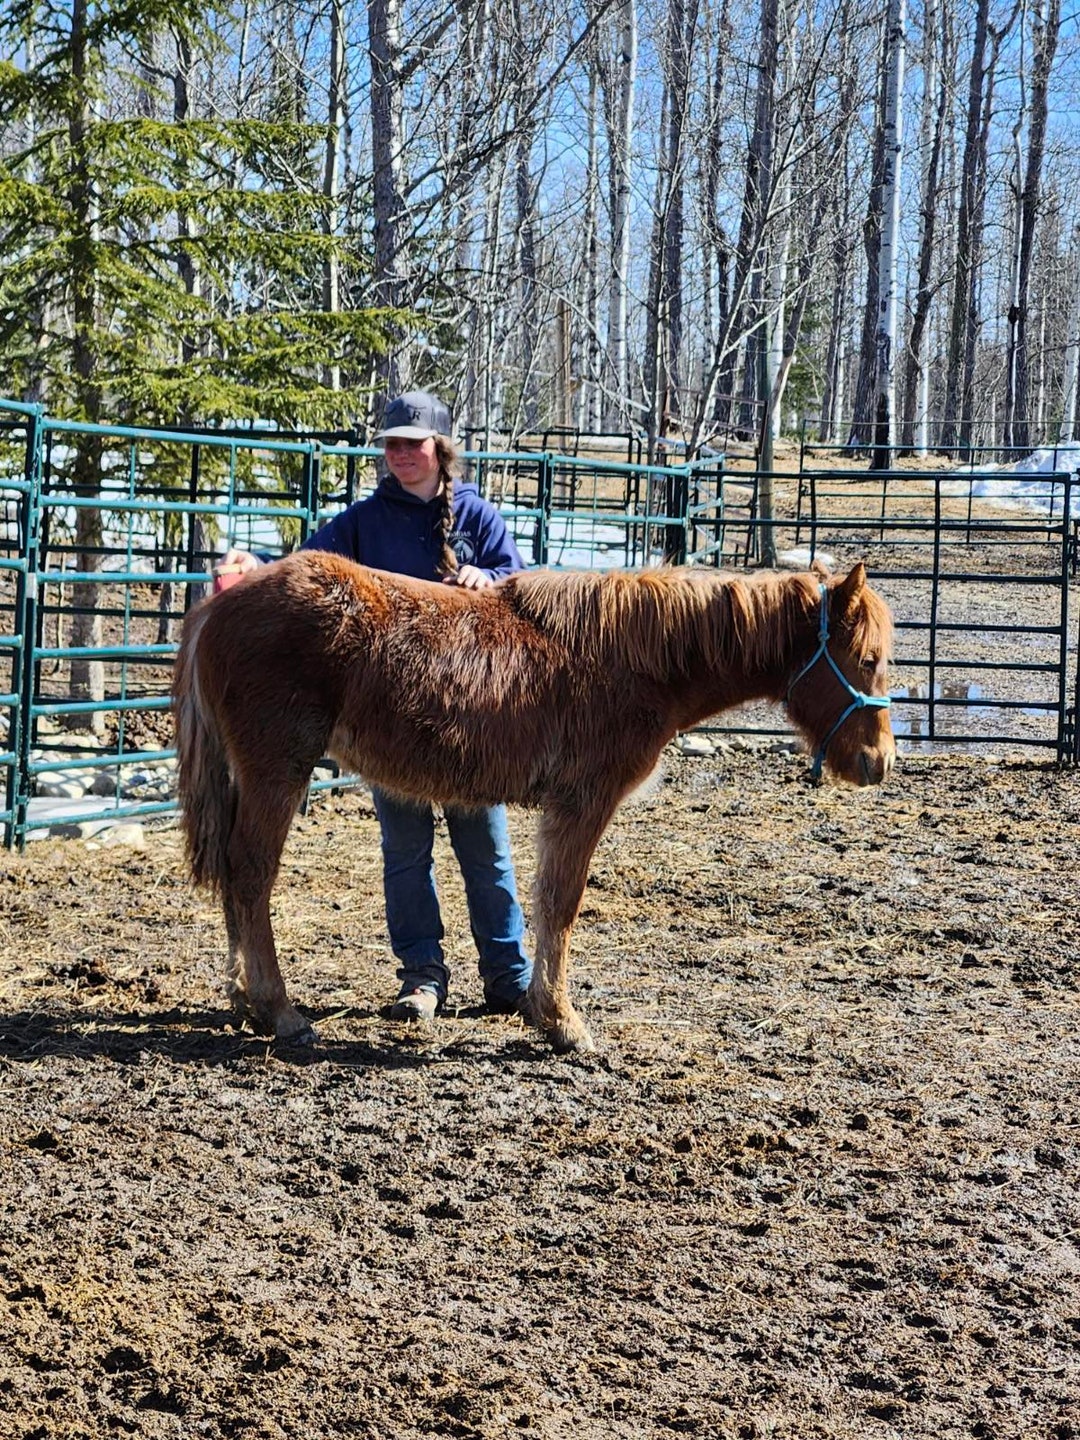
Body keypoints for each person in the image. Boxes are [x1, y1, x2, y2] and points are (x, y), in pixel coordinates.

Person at [215, 391, 533, 1023]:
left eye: (412, 444)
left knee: (488, 848)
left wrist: (489, 578)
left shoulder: (479, 518)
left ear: (440, 450)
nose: (400, 455)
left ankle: (509, 974)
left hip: (473, 716)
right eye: (391, 444)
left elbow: (524, 586)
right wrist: (257, 566)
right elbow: (305, 572)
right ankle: (422, 975)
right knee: (406, 850)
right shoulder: (363, 521)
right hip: (394, 720)